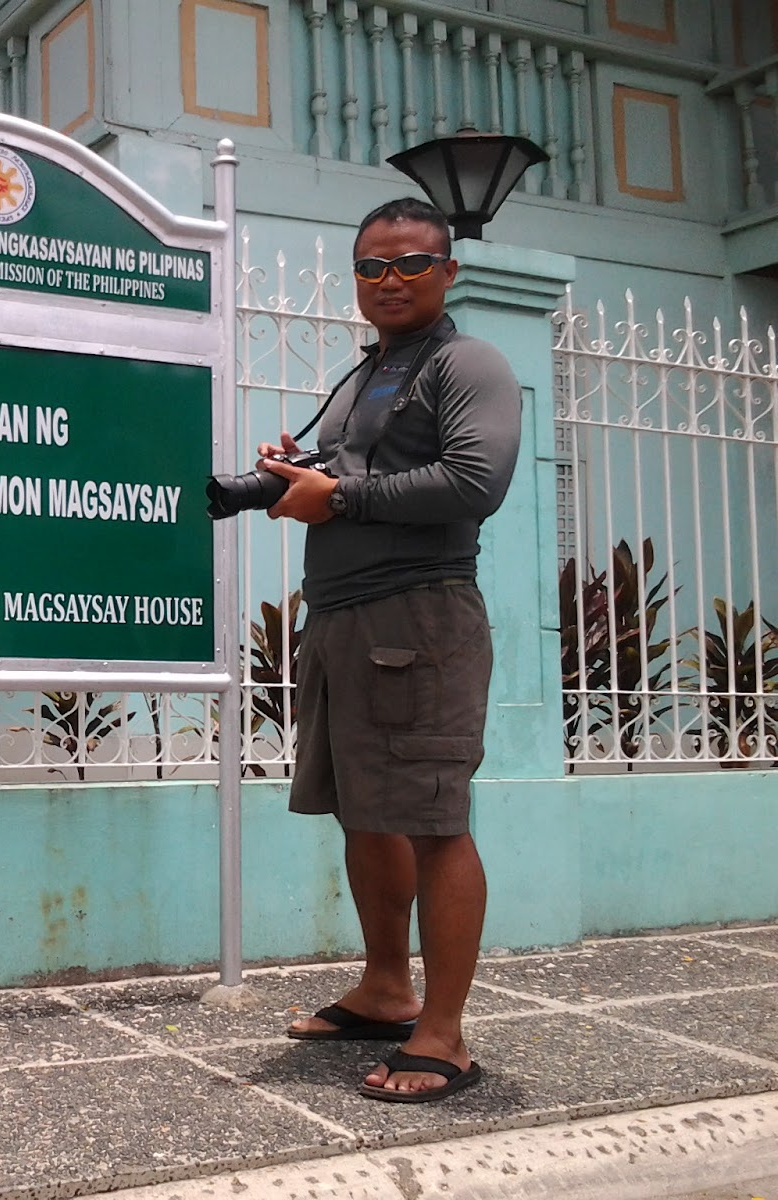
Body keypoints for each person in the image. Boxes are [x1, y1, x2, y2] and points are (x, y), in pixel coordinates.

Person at [258, 197, 521, 1103]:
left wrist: (338, 498)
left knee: (433, 820)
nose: (390, 280)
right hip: (341, 618)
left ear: (448, 270)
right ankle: (384, 989)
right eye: (372, 267)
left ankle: (442, 1037)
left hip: (418, 617)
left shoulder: (468, 362)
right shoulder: (367, 373)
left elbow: (475, 479)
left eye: (411, 263)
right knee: (364, 809)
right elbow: (361, 478)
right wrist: (298, 471)